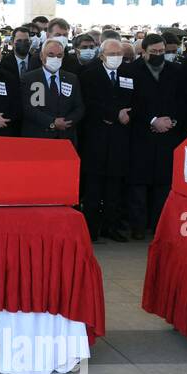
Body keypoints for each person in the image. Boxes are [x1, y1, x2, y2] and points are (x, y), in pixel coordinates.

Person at [127, 33, 184, 239]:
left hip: (168, 133)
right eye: (154, 52)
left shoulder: (176, 71)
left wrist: (171, 121)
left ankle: (160, 225)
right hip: (142, 133)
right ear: (144, 52)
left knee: (164, 182)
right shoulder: (131, 71)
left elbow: (183, 100)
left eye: (162, 51)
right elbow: (130, 102)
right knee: (138, 183)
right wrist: (152, 120)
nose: (159, 55)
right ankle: (138, 227)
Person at [79, 38, 134, 242]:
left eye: (119, 54)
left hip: (120, 138)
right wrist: (113, 114)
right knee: (94, 187)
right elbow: (89, 103)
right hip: (97, 138)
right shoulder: (89, 76)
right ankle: (91, 229)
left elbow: (136, 100)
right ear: (102, 55)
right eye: (112, 54)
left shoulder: (129, 74)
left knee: (114, 187)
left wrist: (127, 114)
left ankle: (110, 226)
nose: (116, 58)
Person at [20, 38, 84, 146]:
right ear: (41, 56)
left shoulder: (72, 79)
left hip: (65, 137)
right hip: (38, 138)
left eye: (59, 55)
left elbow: (79, 107)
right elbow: (28, 108)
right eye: (50, 54)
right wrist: (52, 122)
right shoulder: (29, 78)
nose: (55, 58)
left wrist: (66, 122)